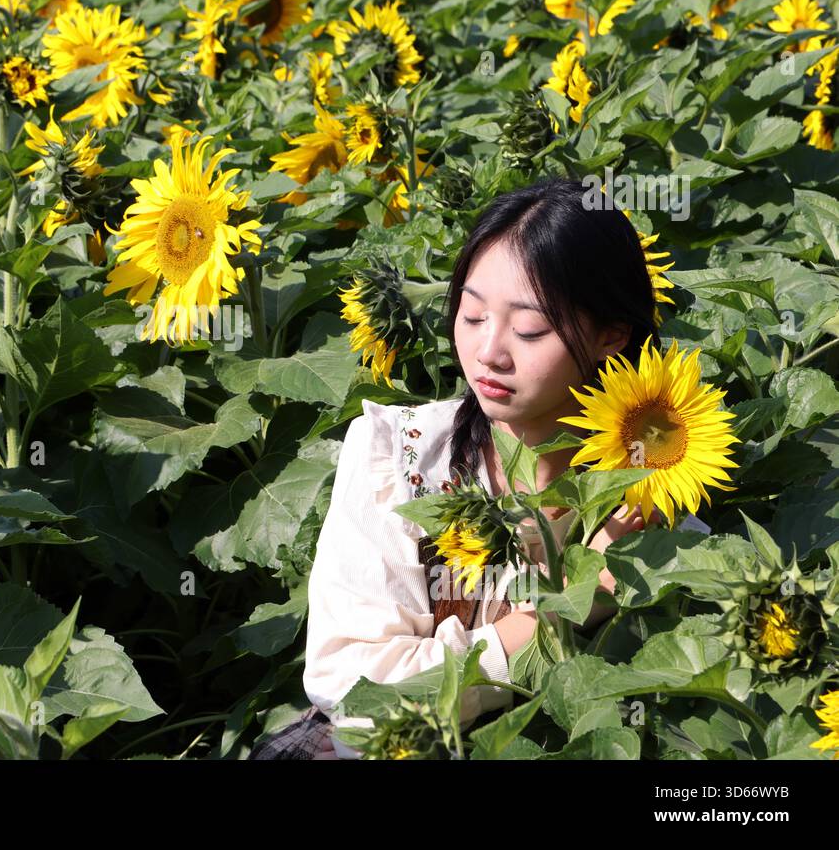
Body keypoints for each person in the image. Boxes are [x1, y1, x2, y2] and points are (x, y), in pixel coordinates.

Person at [248, 177, 710, 760]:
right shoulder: (402, 455)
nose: (489, 352)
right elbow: (352, 687)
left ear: (610, 338)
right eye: (471, 316)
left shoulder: (655, 476)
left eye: (529, 329)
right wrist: (558, 614)